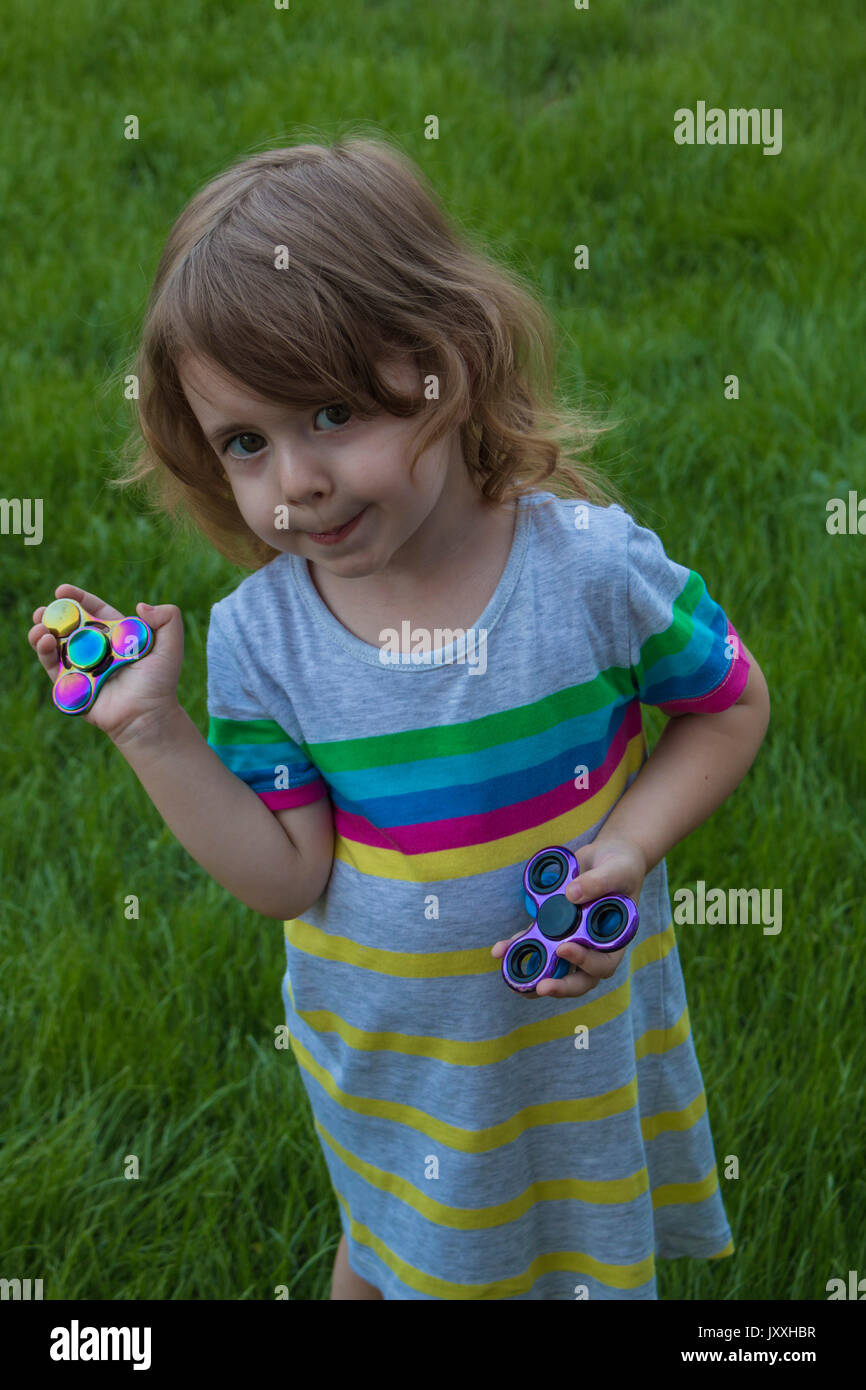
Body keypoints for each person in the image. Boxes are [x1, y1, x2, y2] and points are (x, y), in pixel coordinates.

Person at [29, 134, 770, 1300]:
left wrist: (625, 847)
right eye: (245, 443)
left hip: (567, 1032)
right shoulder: (265, 641)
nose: (294, 483)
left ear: (446, 364)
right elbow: (285, 874)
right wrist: (150, 732)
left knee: (576, 1253)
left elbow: (727, 706)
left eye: (331, 412)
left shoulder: (583, 571)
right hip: (391, 1052)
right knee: (392, 1243)